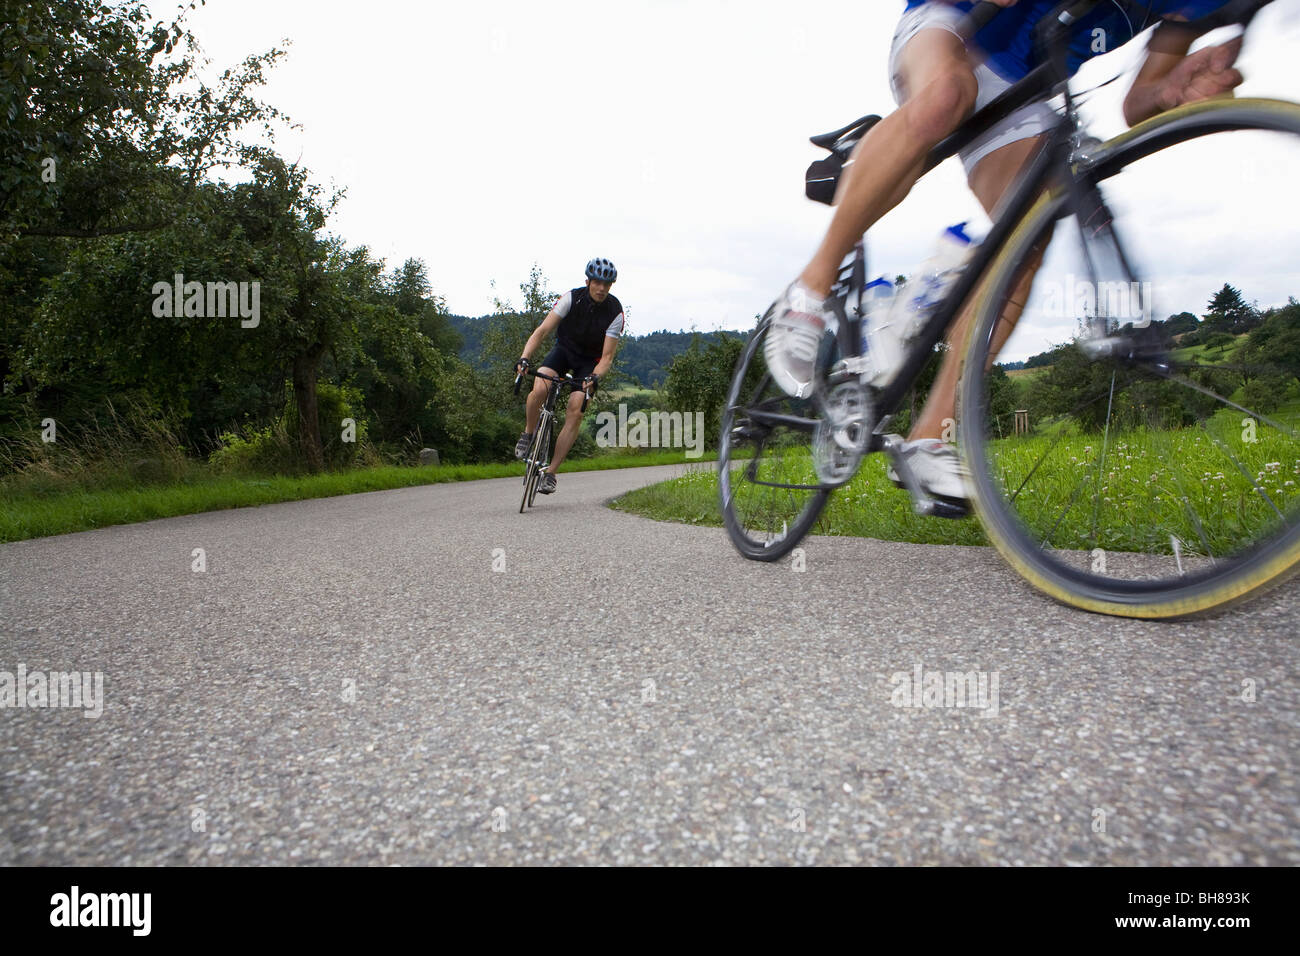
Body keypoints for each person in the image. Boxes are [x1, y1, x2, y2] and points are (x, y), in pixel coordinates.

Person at [764, 0, 1245, 505]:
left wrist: (1172, 90)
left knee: (1027, 237)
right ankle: (809, 291)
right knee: (945, 96)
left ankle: (930, 434)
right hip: (952, 27)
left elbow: (1139, 101)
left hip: (1023, 86)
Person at [514, 258, 626, 494]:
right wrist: (525, 357)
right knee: (540, 388)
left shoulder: (615, 312)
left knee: (576, 410)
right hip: (563, 352)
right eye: (597, 282)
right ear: (588, 282)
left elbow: (607, 358)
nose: (602, 288)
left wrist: (594, 377)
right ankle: (528, 432)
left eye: (607, 284)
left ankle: (551, 473)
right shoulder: (571, 298)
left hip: (589, 363)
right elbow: (542, 331)